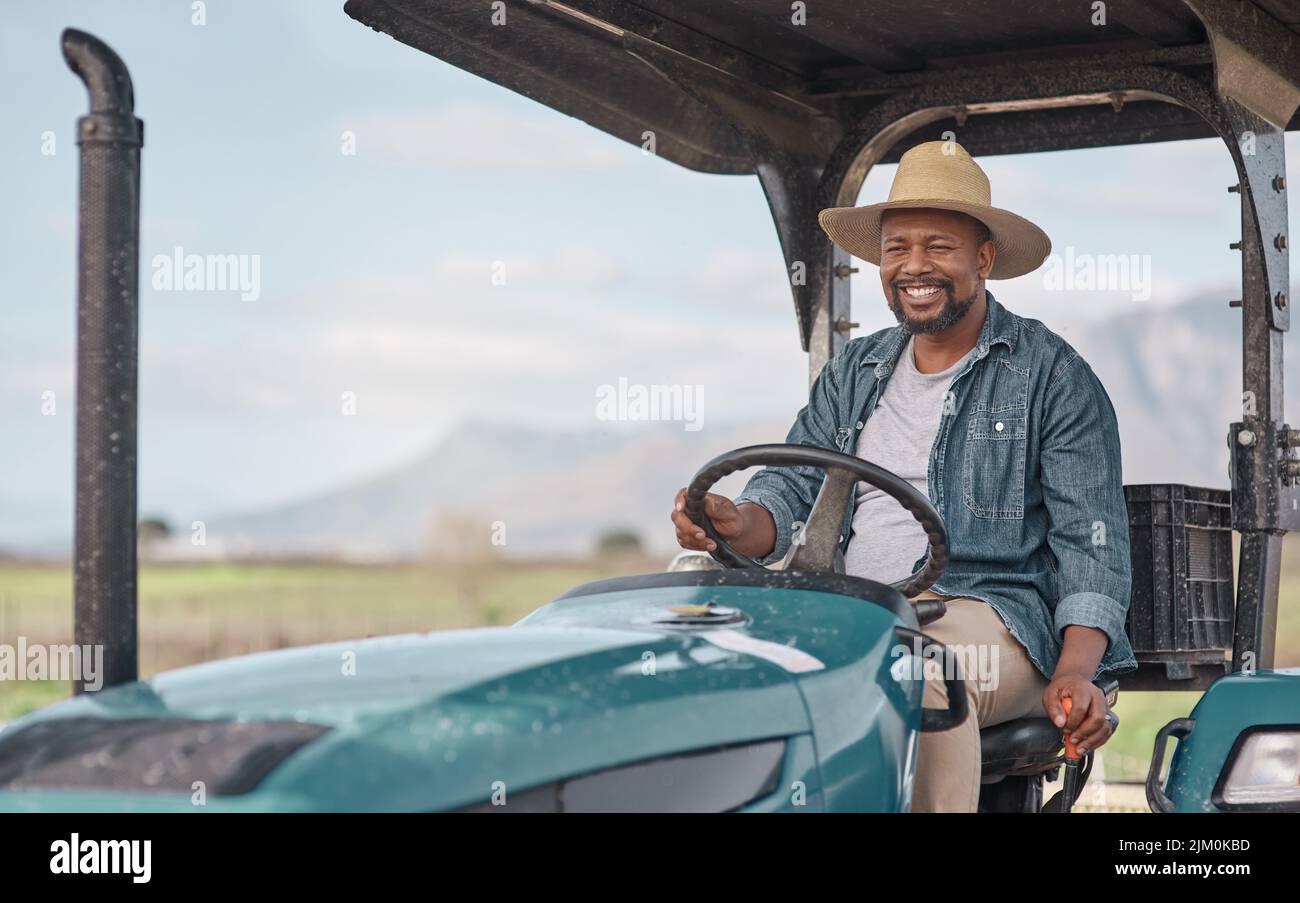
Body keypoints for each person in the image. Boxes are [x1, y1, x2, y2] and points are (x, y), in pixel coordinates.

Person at [670, 140, 1136, 812]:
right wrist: (736, 521)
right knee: (691, 628)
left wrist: (1074, 671)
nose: (914, 265)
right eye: (897, 248)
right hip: (855, 611)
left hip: (995, 621)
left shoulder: (1051, 376)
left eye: (938, 246)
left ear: (982, 258)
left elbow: (1092, 548)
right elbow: (791, 489)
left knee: (919, 671)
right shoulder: (854, 371)